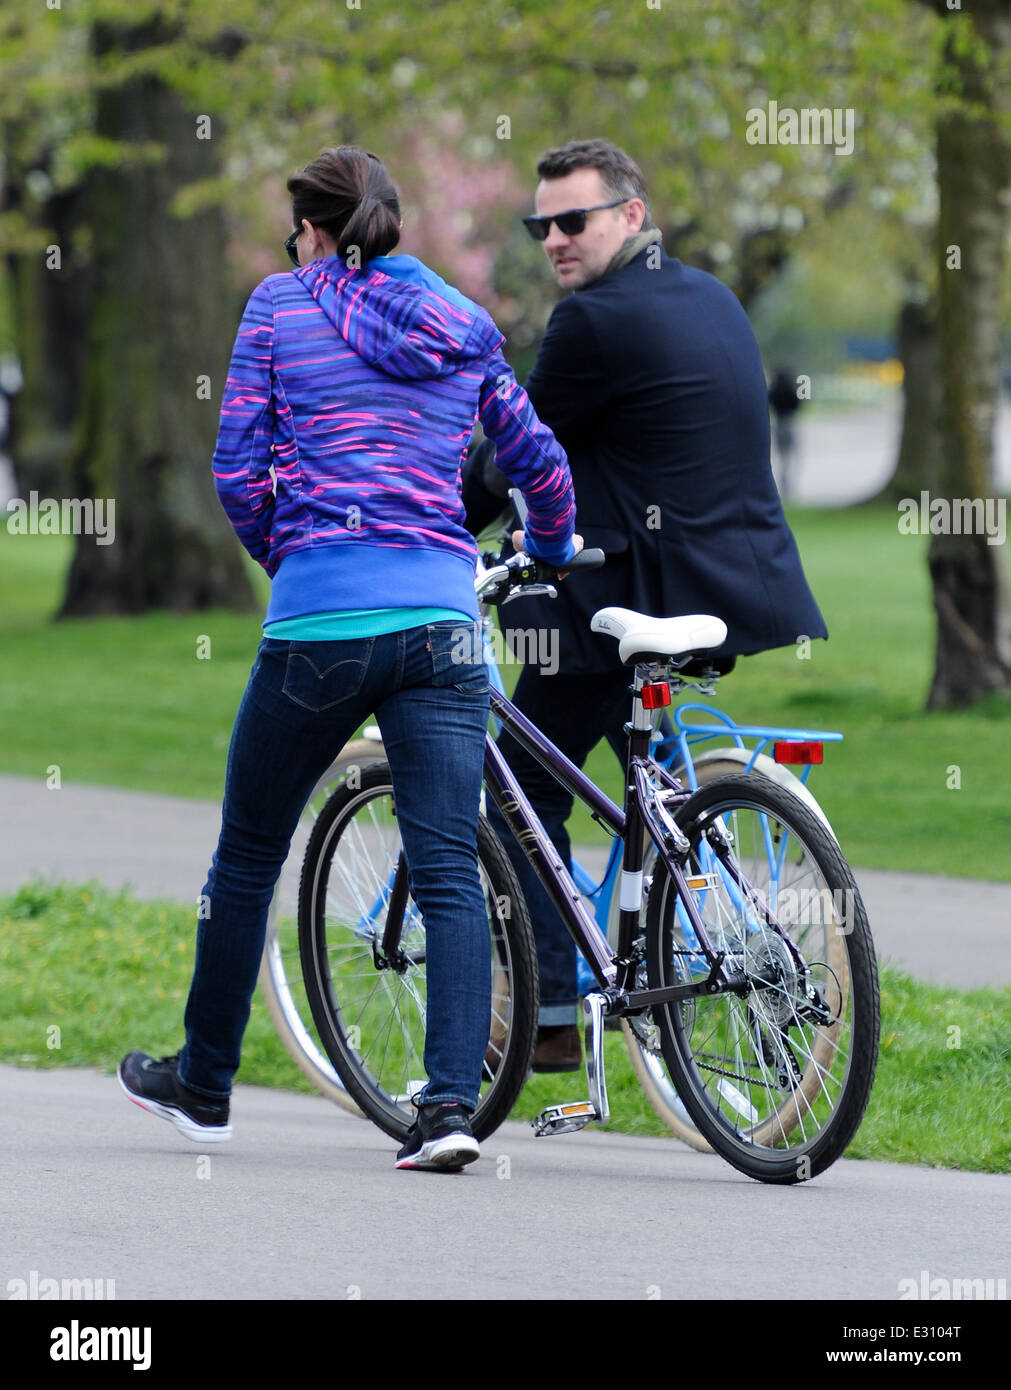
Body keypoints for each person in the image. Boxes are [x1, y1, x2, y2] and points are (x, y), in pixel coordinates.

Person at [118, 146, 577, 1170]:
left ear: (315, 229)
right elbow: (538, 461)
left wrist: (295, 554)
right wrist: (546, 548)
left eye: (298, 231)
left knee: (247, 854)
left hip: (321, 625)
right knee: (451, 863)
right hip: (446, 628)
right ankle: (451, 1111)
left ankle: (203, 1085)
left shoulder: (280, 309)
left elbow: (238, 469)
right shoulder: (461, 325)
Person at [475, 138, 827, 1072]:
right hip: (730, 588)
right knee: (640, 789)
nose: (553, 238)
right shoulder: (710, 294)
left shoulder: (590, 321)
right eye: (539, 224)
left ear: (630, 215)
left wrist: (435, 518)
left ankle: (549, 1013)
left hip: (626, 598)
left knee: (521, 786)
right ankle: (647, 925)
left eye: (572, 220)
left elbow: (520, 450)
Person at [768, 367, 803, 499]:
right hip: (789, 423)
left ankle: (783, 484)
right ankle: (789, 486)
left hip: (778, 423)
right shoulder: (790, 391)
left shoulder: (774, 391)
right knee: (791, 456)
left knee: (782, 456)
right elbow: (798, 405)